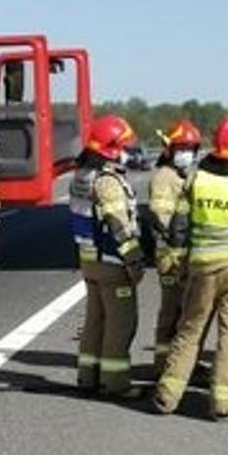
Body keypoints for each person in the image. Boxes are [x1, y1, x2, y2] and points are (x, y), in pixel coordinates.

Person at [153, 114, 228, 422]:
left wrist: (177, 260)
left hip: (200, 267)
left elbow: (179, 227)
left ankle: (167, 396)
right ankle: (223, 403)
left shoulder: (195, 178)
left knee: (190, 331)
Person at [70, 115, 144, 398]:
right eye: (123, 145)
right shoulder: (108, 181)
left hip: (89, 261)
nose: (126, 150)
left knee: (95, 322)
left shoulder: (82, 175)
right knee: (120, 324)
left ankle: (88, 377)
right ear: (112, 148)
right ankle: (116, 383)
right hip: (112, 264)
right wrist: (134, 260)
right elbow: (118, 225)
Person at [148, 119, 202, 364]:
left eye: (190, 150)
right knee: (172, 311)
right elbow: (162, 220)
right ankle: (164, 363)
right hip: (171, 255)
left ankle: (178, 361)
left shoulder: (181, 175)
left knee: (184, 312)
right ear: (169, 150)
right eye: (181, 149)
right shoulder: (164, 177)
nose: (186, 154)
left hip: (183, 254)